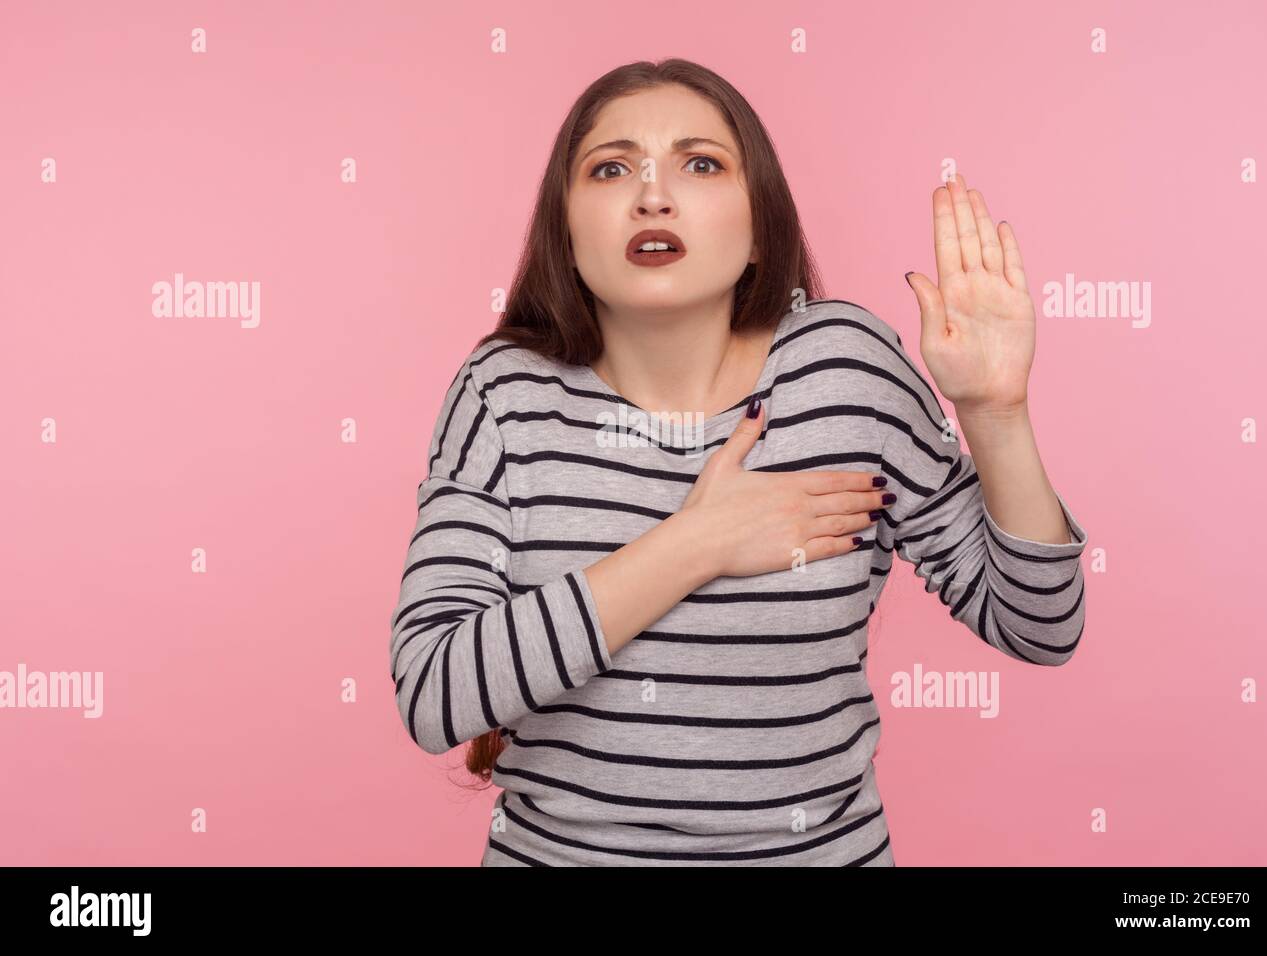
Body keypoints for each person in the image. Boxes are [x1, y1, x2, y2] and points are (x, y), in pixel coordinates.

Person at [389, 58, 1089, 866]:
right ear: (567, 230)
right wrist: (700, 543)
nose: (653, 195)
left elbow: (1043, 626)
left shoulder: (845, 369)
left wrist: (996, 415)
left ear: (761, 227)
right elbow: (435, 693)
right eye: (612, 168)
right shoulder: (504, 393)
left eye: (701, 163)